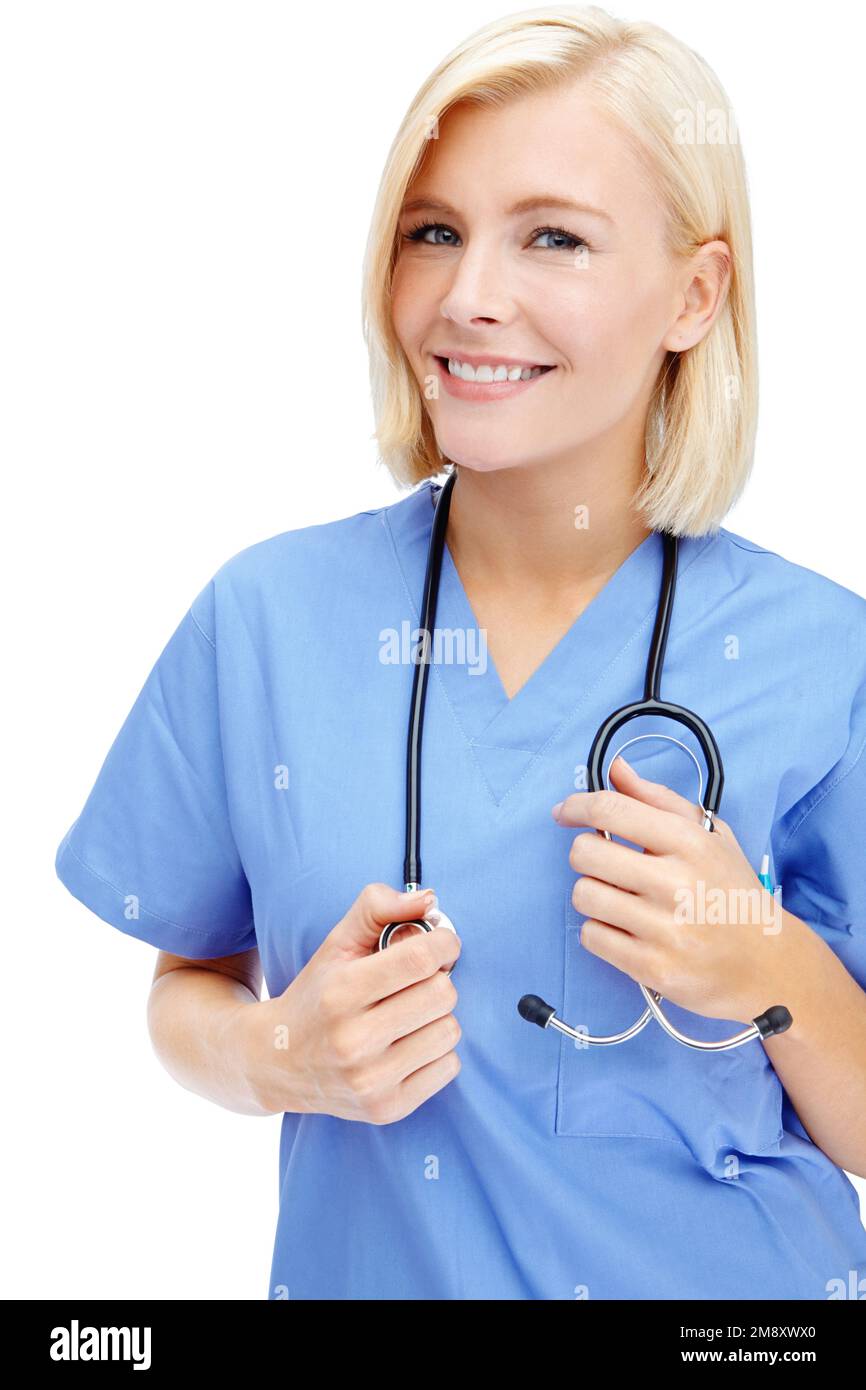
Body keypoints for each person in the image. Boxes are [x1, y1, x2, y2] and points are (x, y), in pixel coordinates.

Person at [55, 5, 866, 1300]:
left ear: (693, 292)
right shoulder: (267, 616)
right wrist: (282, 1054)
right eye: (432, 231)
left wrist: (765, 965)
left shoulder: (823, 654)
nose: (468, 296)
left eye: (552, 235)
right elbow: (184, 990)